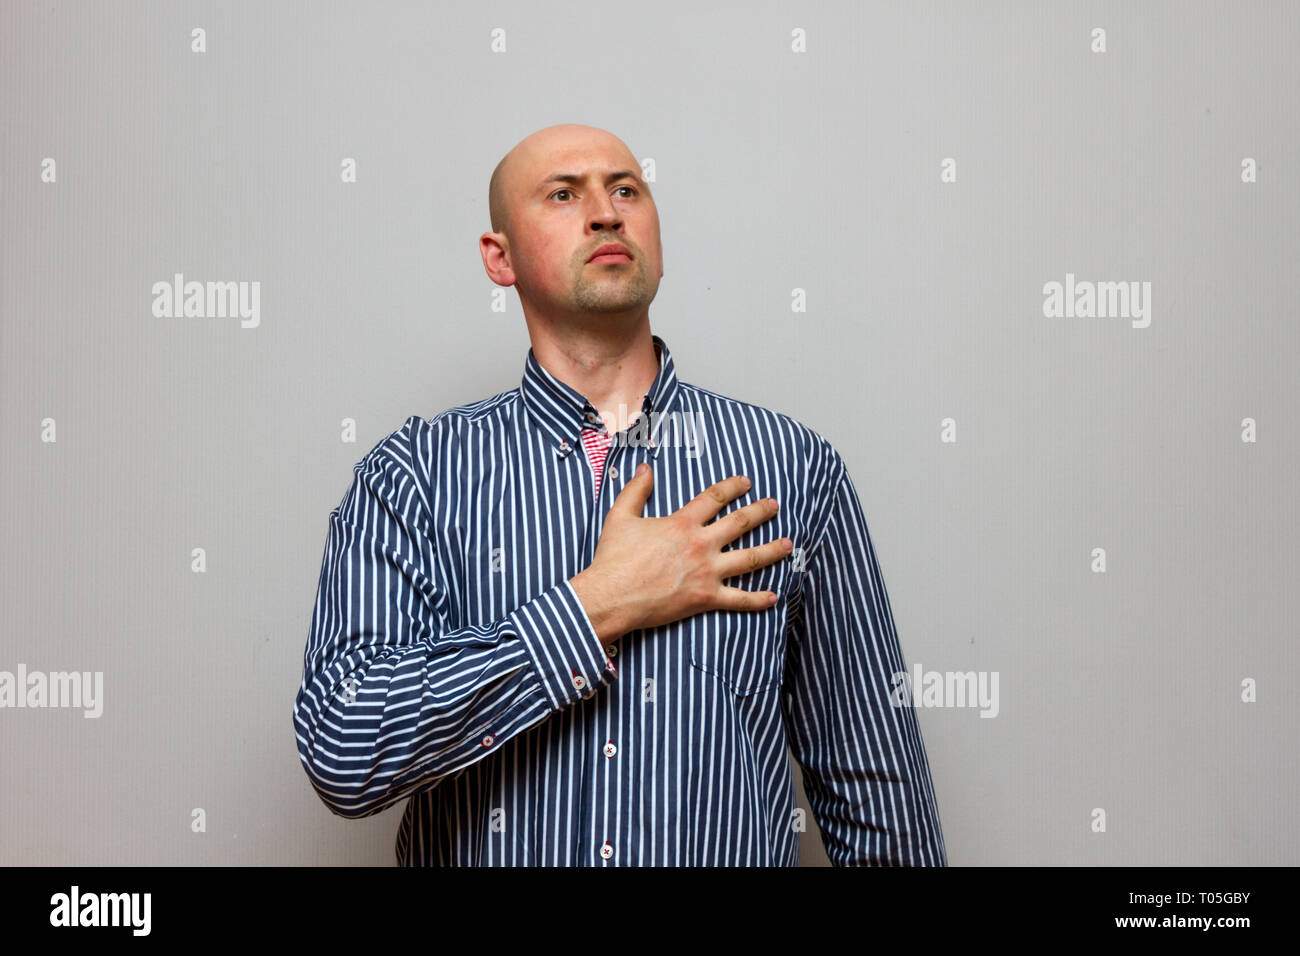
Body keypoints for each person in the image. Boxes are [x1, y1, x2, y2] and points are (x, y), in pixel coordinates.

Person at [292, 123, 947, 866]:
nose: (606, 212)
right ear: (498, 258)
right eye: (564, 194)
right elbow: (344, 748)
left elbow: (877, 790)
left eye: (626, 189)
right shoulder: (413, 476)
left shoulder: (791, 468)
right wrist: (597, 606)